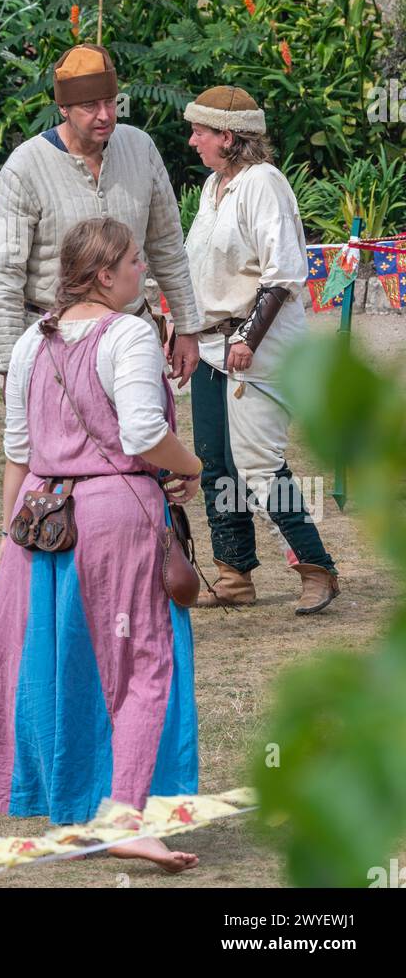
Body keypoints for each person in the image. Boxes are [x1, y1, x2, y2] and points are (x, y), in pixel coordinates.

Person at [0, 217, 202, 872]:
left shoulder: (37, 340)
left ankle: (78, 806)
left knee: (63, 664)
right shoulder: (129, 335)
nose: (142, 270)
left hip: (43, 515)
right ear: (103, 274)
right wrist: (193, 466)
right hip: (114, 511)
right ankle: (124, 817)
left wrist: (13, 538)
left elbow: (18, 449)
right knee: (144, 666)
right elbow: (146, 434)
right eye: (132, 262)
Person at [183, 86, 339, 613]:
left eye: (200, 132)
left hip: (259, 345)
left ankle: (317, 569)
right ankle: (234, 575)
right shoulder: (213, 185)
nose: (192, 140)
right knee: (215, 463)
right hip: (210, 344)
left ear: (228, 137)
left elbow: (284, 273)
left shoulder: (263, 184)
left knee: (257, 462)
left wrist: (248, 338)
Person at [0, 43, 202, 387]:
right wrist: (12, 365)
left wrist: (187, 327)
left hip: (132, 339)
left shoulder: (140, 148)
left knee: (145, 437)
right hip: (55, 347)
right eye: (90, 106)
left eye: (110, 102)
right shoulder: (25, 168)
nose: (104, 115)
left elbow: (167, 247)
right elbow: (3, 275)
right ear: (63, 108)